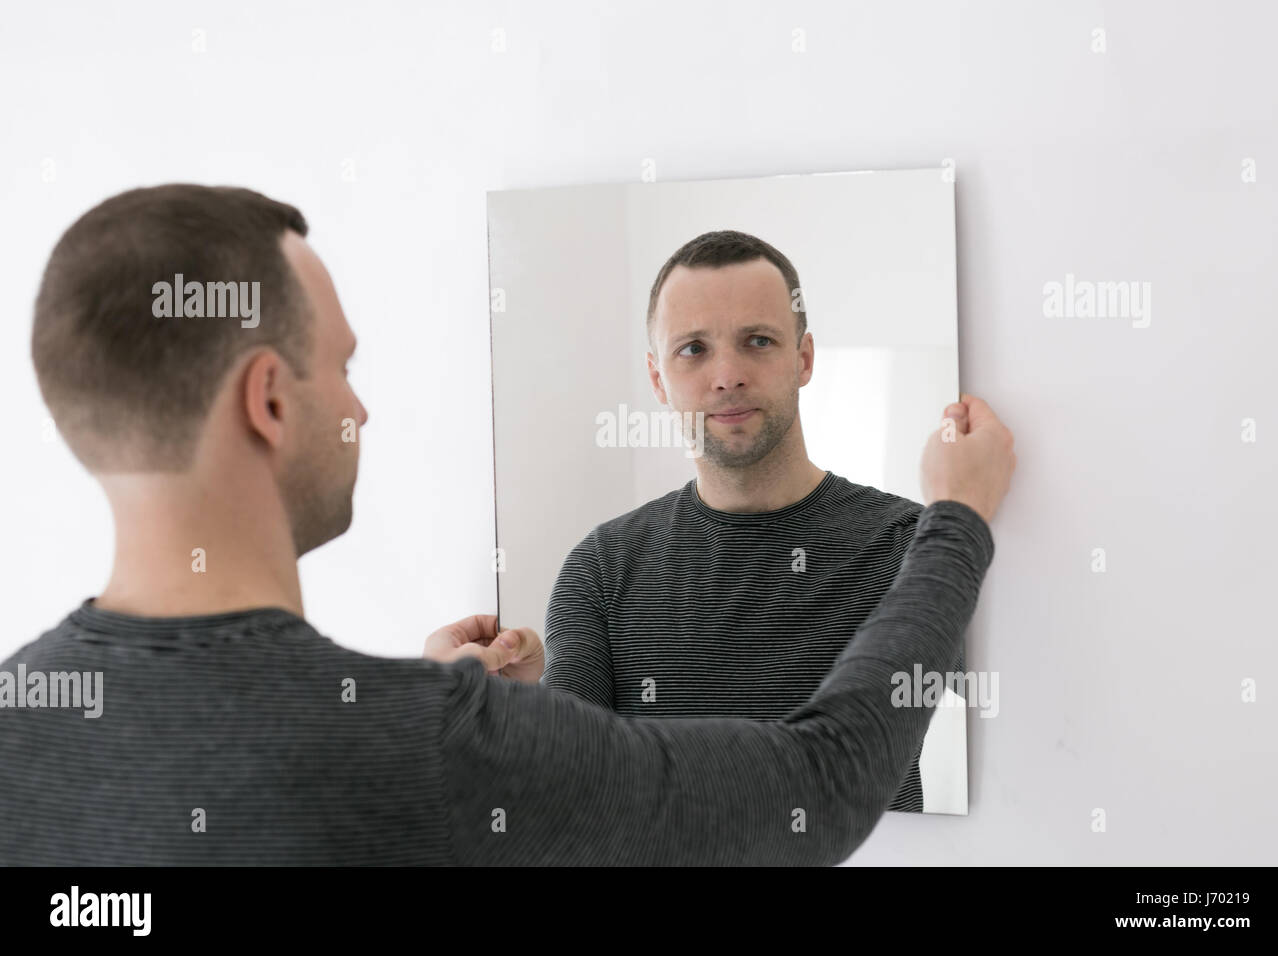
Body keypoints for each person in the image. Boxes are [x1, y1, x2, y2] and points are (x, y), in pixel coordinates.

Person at [0, 184, 1014, 865]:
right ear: (268, 400)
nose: (360, 408)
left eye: (755, 338)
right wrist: (960, 514)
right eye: (342, 368)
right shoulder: (431, 740)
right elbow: (826, 784)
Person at [543, 230, 949, 811]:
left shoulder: (910, 547)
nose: (727, 374)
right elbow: (569, 795)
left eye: (757, 341)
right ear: (658, 379)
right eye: (693, 349)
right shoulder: (601, 569)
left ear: (803, 359)